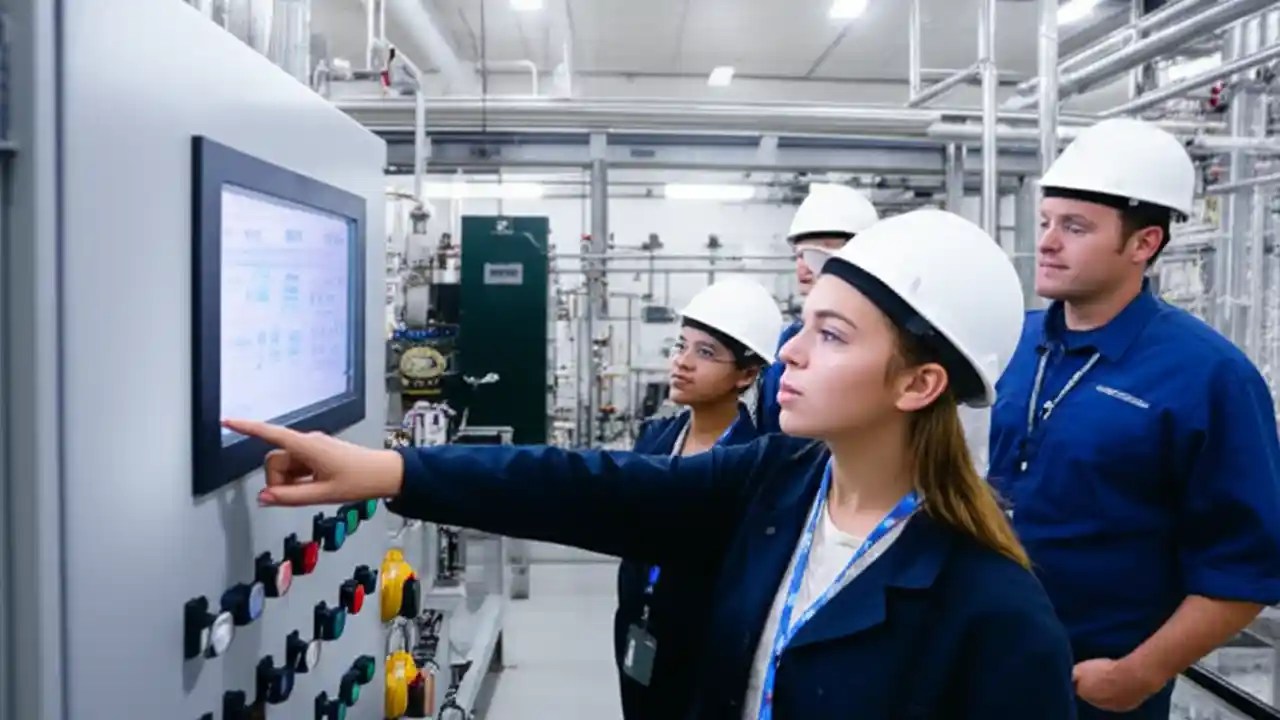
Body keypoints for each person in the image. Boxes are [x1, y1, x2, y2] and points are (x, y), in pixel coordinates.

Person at [231, 209, 1077, 719]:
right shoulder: (775, 484)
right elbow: (582, 488)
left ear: (920, 383)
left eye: (832, 334)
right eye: (803, 322)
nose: (792, 353)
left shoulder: (995, 612)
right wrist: (391, 472)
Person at [987, 117, 1280, 719]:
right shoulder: (1014, 344)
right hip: (989, 661)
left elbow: (1245, 569)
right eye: (1046, 222)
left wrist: (1136, 676)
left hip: (1099, 687)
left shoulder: (1209, 376)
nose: (1045, 241)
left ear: (1143, 243)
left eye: (1074, 227)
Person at [616, 278, 781, 720]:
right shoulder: (655, 439)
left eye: (705, 353)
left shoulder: (757, 459)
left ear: (746, 374)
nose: (682, 363)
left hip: (712, 645)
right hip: (641, 627)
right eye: (680, 346)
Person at [757, 183, 878, 434]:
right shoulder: (788, 340)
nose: (804, 267)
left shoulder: (880, 342)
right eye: (799, 255)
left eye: (818, 252)